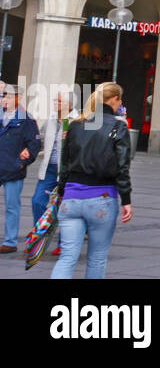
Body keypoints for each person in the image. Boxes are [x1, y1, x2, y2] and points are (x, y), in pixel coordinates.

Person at [50, 82, 132, 278]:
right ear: (113, 100)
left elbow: (66, 164)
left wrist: (61, 192)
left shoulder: (76, 124)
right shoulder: (119, 126)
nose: (120, 103)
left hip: (71, 198)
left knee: (67, 257)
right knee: (96, 258)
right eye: (119, 99)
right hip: (101, 197)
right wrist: (126, 200)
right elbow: (122, 167)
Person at [0, 82, 40, 254]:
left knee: (12, 206)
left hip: (13, 170)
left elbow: (35, 144)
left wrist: (23, 162)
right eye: (3, 96)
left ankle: (10, 242)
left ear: (18, 98)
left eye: (8, 96)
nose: (4, 99)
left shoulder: (27, 119)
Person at [32, 91, 72, 234]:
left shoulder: (76, 122)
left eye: (59, 101)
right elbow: (40, 140)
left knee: (65, 207)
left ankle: (63, 243)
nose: (55, 103)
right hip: (49, 169)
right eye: (55, 100)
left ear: (69, 105)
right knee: (37, 201)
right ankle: (40, 234)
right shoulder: (51, 119)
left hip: (67, 171)